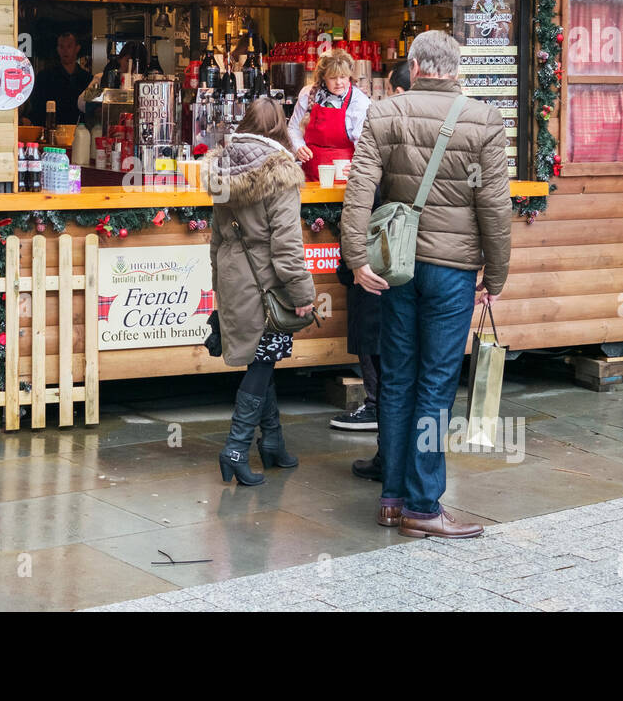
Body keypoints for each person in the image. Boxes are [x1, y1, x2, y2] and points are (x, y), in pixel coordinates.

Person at [341, 31, 511, 539]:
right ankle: (423, 505)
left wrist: (355, 258)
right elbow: (494, 207)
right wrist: (496, 273)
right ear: (455, 68)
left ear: (414, 66)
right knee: (436, 385)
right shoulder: (484, 120)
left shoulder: (383, 112)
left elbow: (359, 189)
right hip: (453, 270)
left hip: (396, 267)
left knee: (395, 379)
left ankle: (392, 499)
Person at [203, 97, 315, 486]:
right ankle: (234, 448)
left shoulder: (221, 166)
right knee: (263, 361)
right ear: (279, 128)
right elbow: (286, 246)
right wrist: (303, 294)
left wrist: (218, 284)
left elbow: (217, 238)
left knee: (261, 357)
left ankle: (273, 443)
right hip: (265, 283)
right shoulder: (281, 172)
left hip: (234, 276)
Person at [332, 59, 412, 436]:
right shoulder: (445, 126)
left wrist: (353, 261)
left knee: (370, 327)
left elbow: (360, 198)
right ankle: (396, 412)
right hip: (417, 254)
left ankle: (380, 406)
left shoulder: (380, 129)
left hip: (381, 250)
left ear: (395, 91)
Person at [287, 49, 372, 182]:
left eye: (343, 76)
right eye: (333, 77)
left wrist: (358, 166)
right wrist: (298, 146)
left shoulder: (359, 102)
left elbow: (364, 143)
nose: (339, 82)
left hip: (344, 177)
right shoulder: (308, 94)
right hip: (309, 177)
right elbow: (293, 128)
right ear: (323, 77)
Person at [26, 31, 91, 126]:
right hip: (51, 129)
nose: (65, 51)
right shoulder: (45, 77)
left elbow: (90, 110)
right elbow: (37, 107)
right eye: (61, 47)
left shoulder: (87, 79)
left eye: (69, 46)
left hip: (79, 130)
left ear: (77, 48)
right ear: (58, 49)